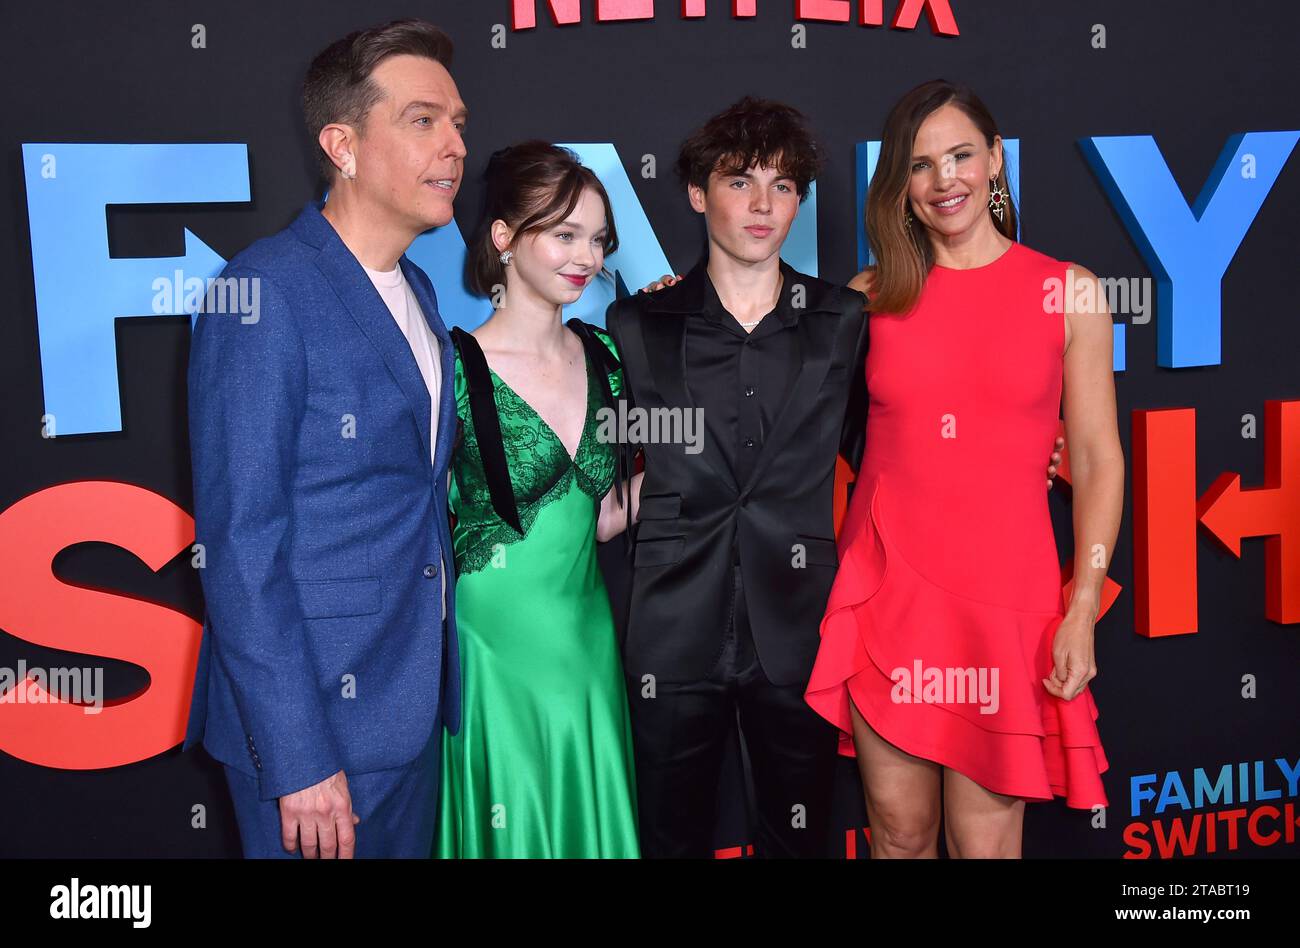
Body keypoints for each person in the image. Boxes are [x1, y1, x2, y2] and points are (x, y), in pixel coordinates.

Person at [805, 79, 1124, 858]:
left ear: (994, 164)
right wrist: (674, 310)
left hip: (1005, 608)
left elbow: (1097, 458)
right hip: (889, 598)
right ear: (901, 188)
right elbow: (790, 416)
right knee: (900, 835)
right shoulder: (869, 297)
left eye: (960, 156)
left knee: (987, 846)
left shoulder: (1068, 291)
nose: (944, 179)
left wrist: (1081, 605)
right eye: (920, 165)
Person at [183, 19, 467, 858]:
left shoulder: (416, 287)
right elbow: (240, 543)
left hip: (408, 708)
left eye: (458, 122)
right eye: (423, 120)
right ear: (342, 144)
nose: (454, 145)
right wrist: (299, 758)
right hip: (312, 736)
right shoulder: (263, 292)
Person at [434, 142, 641, 858]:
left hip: (586, 646)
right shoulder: (451, 368)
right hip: (493, 650)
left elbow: (608, 517)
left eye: (596, 239)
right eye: (564, 234)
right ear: (503, 237)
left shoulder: (609, 357)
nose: (586, 256)